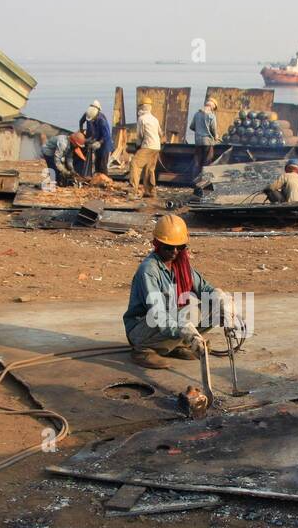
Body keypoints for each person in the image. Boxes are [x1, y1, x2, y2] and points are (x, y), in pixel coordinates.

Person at [123, 214, 230, 369]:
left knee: (212, 308)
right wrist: (184, 329)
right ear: (157, 244)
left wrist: (221, 300)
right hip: (143, 328)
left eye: (179, 247)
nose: (174, 252)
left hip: (172, 320)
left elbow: (205, 290)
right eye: (168, 247)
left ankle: (176, 345)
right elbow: (158, 315)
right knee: (179, 318)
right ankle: (143, 350)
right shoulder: (149, 271)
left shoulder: (181, 265)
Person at [128, 98, 162, 198]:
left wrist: (137, 146)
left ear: (141, 107)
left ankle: (133, 190)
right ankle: (151, 191)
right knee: (149, 169)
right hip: (156, 146)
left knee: (135, 164)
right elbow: (160, 133)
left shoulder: (141, 119)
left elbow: (140, 135)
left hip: (147, 145)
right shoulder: (154, 119)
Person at [78, 100, 112, 176]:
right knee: (97, 162)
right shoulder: (90, 114)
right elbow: (82, 122)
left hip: (105, 144)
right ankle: (97, 178)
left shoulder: (102, 120)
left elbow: (106, 135)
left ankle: (105, 180)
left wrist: (99, 142)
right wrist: (83, 133)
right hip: (95, 139)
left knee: (103, 164)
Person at [190, 98, 218, 175]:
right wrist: (216, 136)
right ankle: (204, 181)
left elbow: (192, 127)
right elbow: (214, 130)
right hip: (208, 142)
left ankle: (194, 180)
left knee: (197, 161)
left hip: (198, 141)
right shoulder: (212, 116)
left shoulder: (197, 114)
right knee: (207, 162)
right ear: (212, 107)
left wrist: (199, 129)